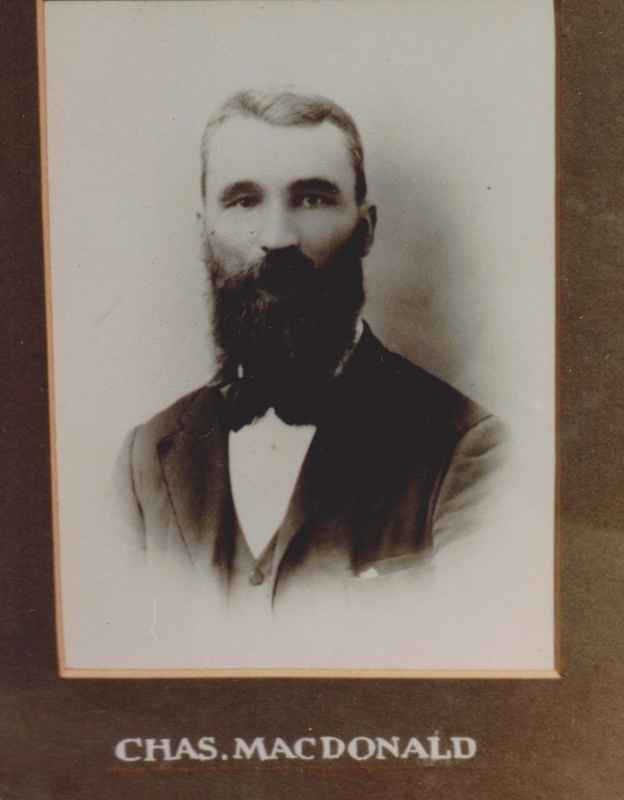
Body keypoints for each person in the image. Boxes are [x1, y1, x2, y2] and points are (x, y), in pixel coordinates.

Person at [117, 89, 507, 619]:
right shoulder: (148, 457)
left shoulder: (468, 451)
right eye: (243, 201)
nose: (278, 238)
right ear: (203, 233)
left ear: (365, 229)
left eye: (312, 199)